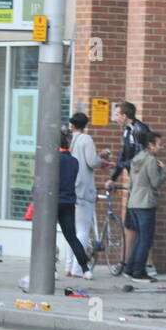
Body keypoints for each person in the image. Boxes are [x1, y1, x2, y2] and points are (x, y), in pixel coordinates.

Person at [107, 101, 151, 276]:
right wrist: (113, 177)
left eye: (117, 114)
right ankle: (129, 262)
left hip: (141, 183)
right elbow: (122, 156)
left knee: (141, 224)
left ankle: (144, 264)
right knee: (133, 224)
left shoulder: (138, 130)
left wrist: (120, 167)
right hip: (134, 181)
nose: (115, 118)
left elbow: (138, 159)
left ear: (125, 116)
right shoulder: (127, 130)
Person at [120, 129, 166, 282]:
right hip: (146, 202)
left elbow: (132, 182)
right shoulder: (151, 160)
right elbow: (156, 182)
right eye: (159, 145)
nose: (161, 147)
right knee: (145, 239)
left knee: (140, 238)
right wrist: (163, 170)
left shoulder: (137, 158)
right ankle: (139, 271)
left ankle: (130, 268)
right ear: (150, 145)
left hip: (134, 201)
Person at [67, 112, 109, 278]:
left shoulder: (68, 139)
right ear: (86, 125)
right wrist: (104, 162)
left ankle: (69, 267)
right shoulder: (86, 139)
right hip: (83, 190)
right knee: (83, 230)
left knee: (70, 232)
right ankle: (78, 268)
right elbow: (92, 161)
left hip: (69, 189)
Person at [52, 128, 94, 279]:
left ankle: (53, 270)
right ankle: (85, 269)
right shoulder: (74, 162)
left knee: (48, 237)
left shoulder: (52, 159)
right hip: (68, 202)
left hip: (53, 202)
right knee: (71, 237)